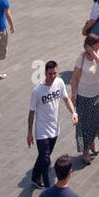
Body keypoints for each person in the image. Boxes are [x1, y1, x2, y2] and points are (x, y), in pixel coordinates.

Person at [28, 60, 77, 190]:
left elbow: (66, 99)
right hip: (41, 131)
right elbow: (31, 112)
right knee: (46, 161)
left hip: (54, 129)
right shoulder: (37, 91)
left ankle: (34, 177)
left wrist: (73, 113)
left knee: (44, 156)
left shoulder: (59, 83)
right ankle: (49, 189)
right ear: (45, 73)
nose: (53, 76)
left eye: (55, 73)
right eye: (50, 74)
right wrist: (29, 133)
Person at [71, 33, 99, 165]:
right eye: (95, 46)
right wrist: (73, 95)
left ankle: (92, 140)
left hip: (98, 94)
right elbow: (74, 78)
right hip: (84, 96)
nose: (98, 47)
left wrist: (95, 54)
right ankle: (85, 151)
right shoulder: (81, 58)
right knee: (85, 125)